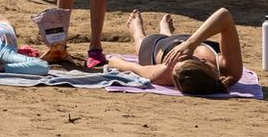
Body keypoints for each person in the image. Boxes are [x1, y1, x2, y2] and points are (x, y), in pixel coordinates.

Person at [103, 8, 244, 93]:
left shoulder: (167, 73)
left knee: (142, 43)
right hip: (187, 39)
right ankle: (166, 31)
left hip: (157, 48)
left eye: (178, 60)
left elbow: (134, 68)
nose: (180, 56)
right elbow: (225, 15)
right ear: (203, 61)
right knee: (179, 41)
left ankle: (137, 30)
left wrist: (114, 61)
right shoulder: (230, 69)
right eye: (185, 58)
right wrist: (191, 44)